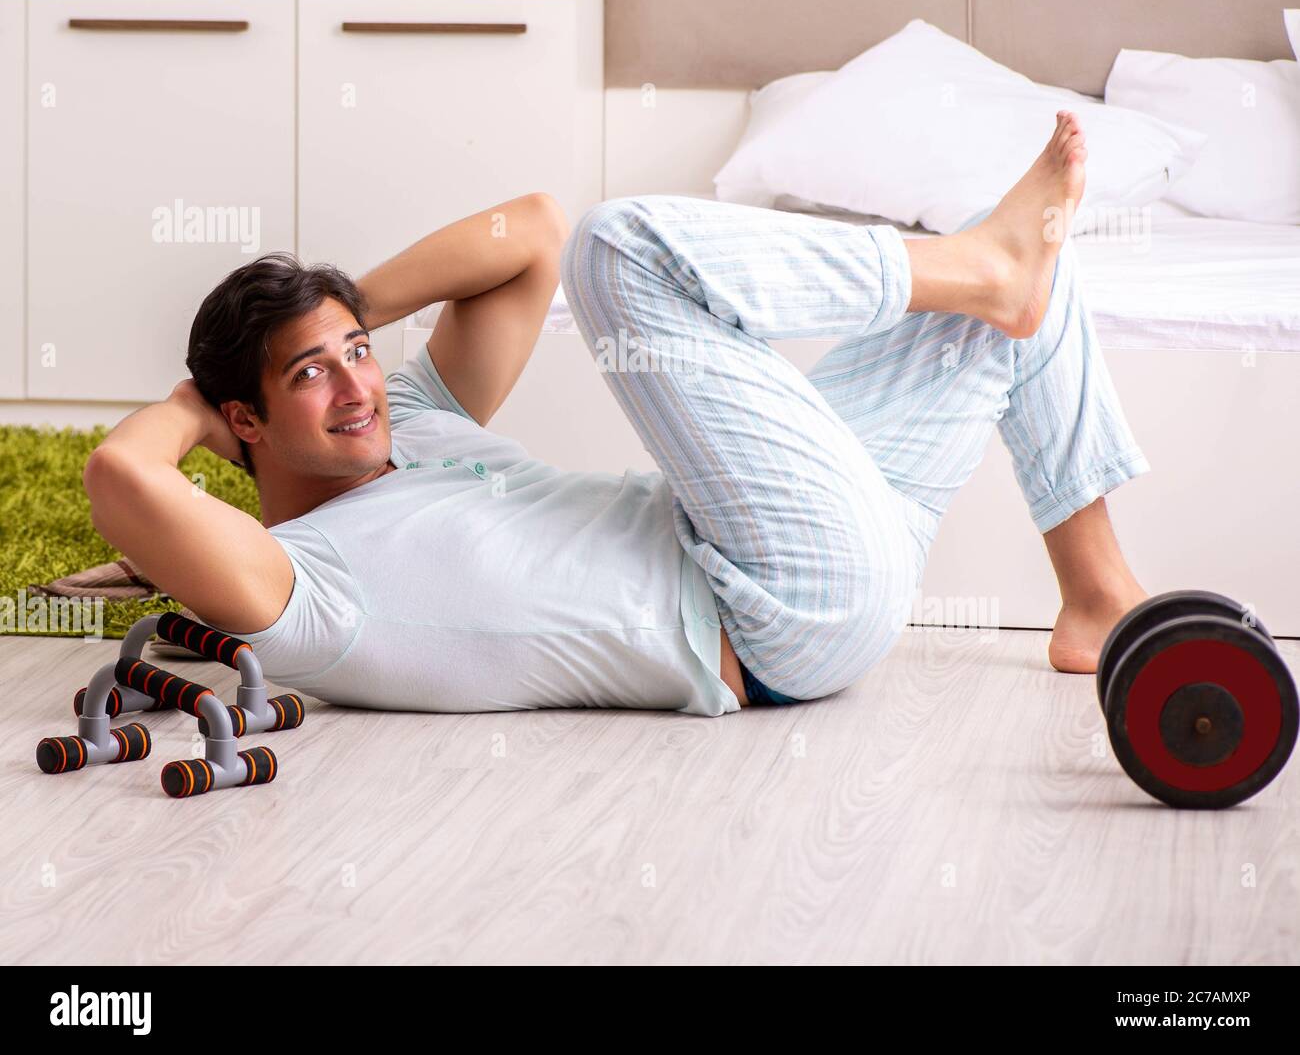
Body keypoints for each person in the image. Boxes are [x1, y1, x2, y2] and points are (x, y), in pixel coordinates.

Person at [83, 111, 1149, 715]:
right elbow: (123, 477)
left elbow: (527, 231)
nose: (359, 385)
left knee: (1021, 280)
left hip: (805, 543)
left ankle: (1094, 599)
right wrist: (196, 402)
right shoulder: (300, 585)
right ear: (243, 419)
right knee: (620, 245)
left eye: (358, 353)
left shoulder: (410, 416)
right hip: (771, 615)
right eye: (311, 375)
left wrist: (331, 312)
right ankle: (984, 266)